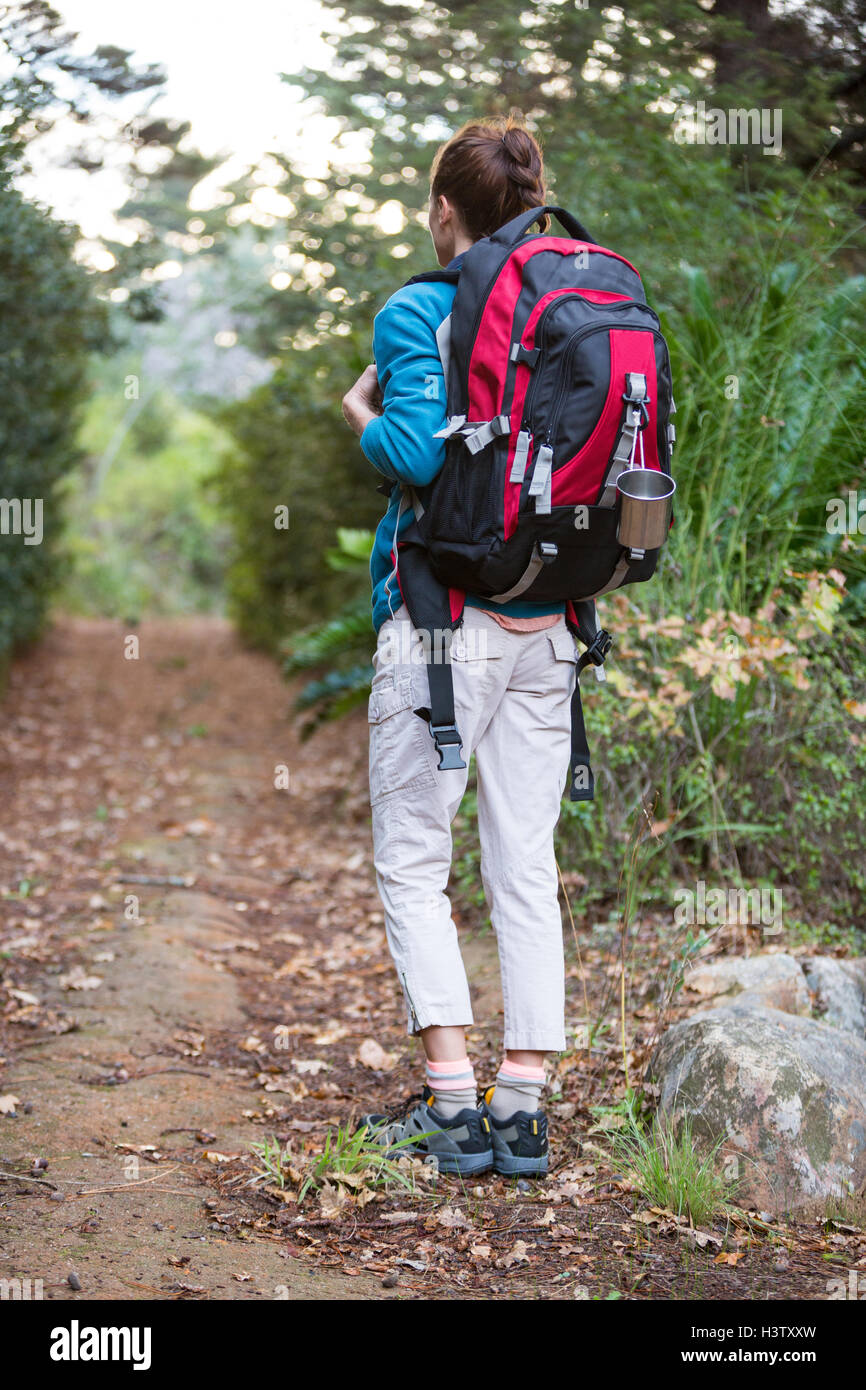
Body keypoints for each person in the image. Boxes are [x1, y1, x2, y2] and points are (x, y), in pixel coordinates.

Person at [341, 119, 578, 1177]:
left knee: (412, 854)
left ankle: (449, 1101)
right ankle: (520, 1105)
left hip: (442, 622)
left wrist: (356, 409)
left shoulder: (417, 306)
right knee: (524, 862)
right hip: (555, 623)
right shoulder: (566, 299)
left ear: (444, 212)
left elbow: (412, 451)